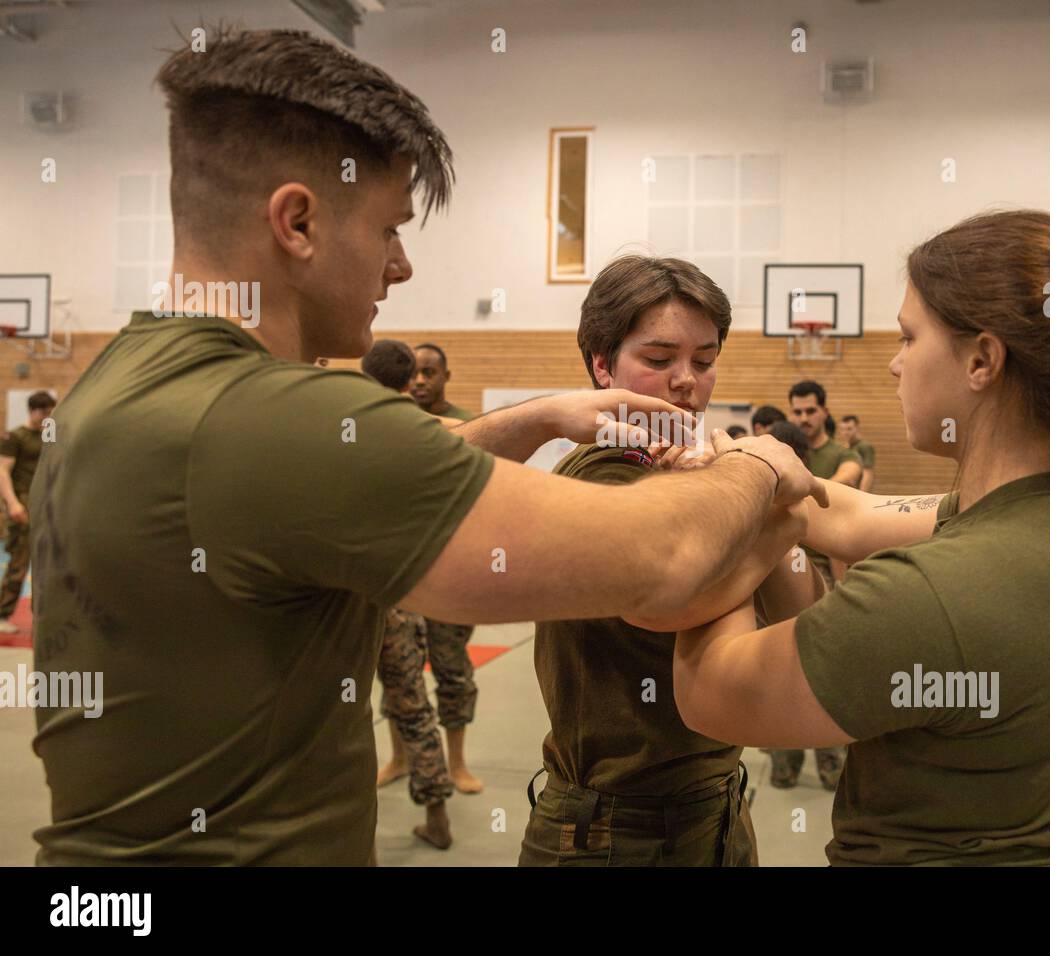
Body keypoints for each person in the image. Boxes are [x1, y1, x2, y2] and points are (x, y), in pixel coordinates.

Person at [28, 27, 823, 866]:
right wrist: (760, 461)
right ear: (297, 221)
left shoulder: (125, 383)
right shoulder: (277, 419)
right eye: (387, 229)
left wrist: (542, 416)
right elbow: (663, 555)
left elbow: (394, 469)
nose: (400, 266)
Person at [673, 210, 1050, 866]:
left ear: (981, 360)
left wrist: (724, 516)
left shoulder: (936, 593)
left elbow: (708, 692)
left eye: (908, 338)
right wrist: (771, 474)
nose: (893, 365)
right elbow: (853, 518)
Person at [519, 255, 802, 867]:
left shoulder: (698, 474)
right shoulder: (603, 474)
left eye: (704, 361)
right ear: (601, 364)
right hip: (619, 829)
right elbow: (685, 596)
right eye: (658, 359)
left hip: (714, 804)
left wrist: (774, 512)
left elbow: (801, 617)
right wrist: (770, 502)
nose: (687, 381)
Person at [359, 339, 461, 848]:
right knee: (415, 704)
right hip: (401, 593)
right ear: (408, 381)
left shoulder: (345, 425)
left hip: (347, 597)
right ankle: (438, 817)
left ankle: (354, 836)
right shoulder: (426, 432)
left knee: (344, 712)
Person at [386, 340, 483, 796]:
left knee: (452, 669)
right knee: (397, 671)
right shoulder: (392, 423)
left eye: (430, 372)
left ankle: (457, 762)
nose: (421, 381)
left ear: (446, 376)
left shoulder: (467, 426)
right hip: (402, 573)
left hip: (450, 570)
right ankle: (400, 757)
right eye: (415, 373)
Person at [770, 381, 861, 789]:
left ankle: (831, 765)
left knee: (823, 679)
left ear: (824, 411)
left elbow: (841, 490)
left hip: (824, 577)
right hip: (781, 572)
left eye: (810, 411)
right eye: (797, 413)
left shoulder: (841, 457)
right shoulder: (780, 451)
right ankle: (784, 764)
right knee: (780, 676)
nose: (803, 419)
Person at [0, 391, 56, 634]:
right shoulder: (16, 436)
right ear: (32, 410)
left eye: (51, 412)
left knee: (49, 564)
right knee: (19, 563)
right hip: (23, 503)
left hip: (46, 505)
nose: (47, 417)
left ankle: (42, 617)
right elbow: (2, 471)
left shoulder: (50, 434)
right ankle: (2, 614)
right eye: (44, 412)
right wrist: (12, 503)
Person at [410, 343, 473, 421]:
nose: (419, 381)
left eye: (428, 373)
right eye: (412, 374)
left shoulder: (466, 421)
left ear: (446, 376)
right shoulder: (400, 420)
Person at [839, 414, 876, 492]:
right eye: (842, 429)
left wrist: (862, 494)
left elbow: (868, 474)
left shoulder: (865, 447)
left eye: (849, 429)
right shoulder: (844, 447)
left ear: (857, 428)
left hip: (858, 493)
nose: (845, 432)